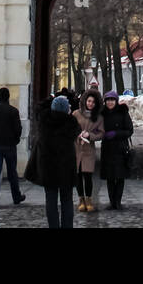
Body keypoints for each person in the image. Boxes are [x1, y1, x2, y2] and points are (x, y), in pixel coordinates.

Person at [38, 95, 82, 228]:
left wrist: (50, 100)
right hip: (66, 167)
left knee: (50, 200)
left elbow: (39, 108)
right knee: (67, 200)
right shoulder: (71, 123)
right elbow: (76, 130)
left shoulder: (45, 121)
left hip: (49, 166)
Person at [98, 90, 133, 210]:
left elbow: (129, 130)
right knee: (109, 177)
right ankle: (112, 201)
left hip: (120, 148)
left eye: (112, 100)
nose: (110, 102)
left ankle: (117, 201)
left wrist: (116, 134)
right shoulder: (102, 114)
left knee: (120, 176)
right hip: (107, 148)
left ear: (116, 101)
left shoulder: (123, 113)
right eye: (108, 100)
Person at [73, 89, 105, 212]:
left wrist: (90, 135)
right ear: (85, 101)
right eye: (89, 101)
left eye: (93, 102)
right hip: (76, 148)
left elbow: (102, 133)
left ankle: (89, 200)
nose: (90, 104)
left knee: (87, 176)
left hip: (89, 150)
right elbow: (70, 127)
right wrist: (78, 134)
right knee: (78, 175)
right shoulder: (76, 114)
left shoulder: (98, 118)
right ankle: (81, 200)